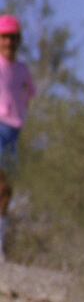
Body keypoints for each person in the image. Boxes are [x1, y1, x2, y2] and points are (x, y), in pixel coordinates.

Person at [0, 14, 34, 261]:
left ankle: (1, 245)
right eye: (4, 37)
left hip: (14, 130)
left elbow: (29, 93)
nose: (9, 42)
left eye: (12, 37)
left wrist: (18, 111)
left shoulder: (22, 70)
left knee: (6, 189)